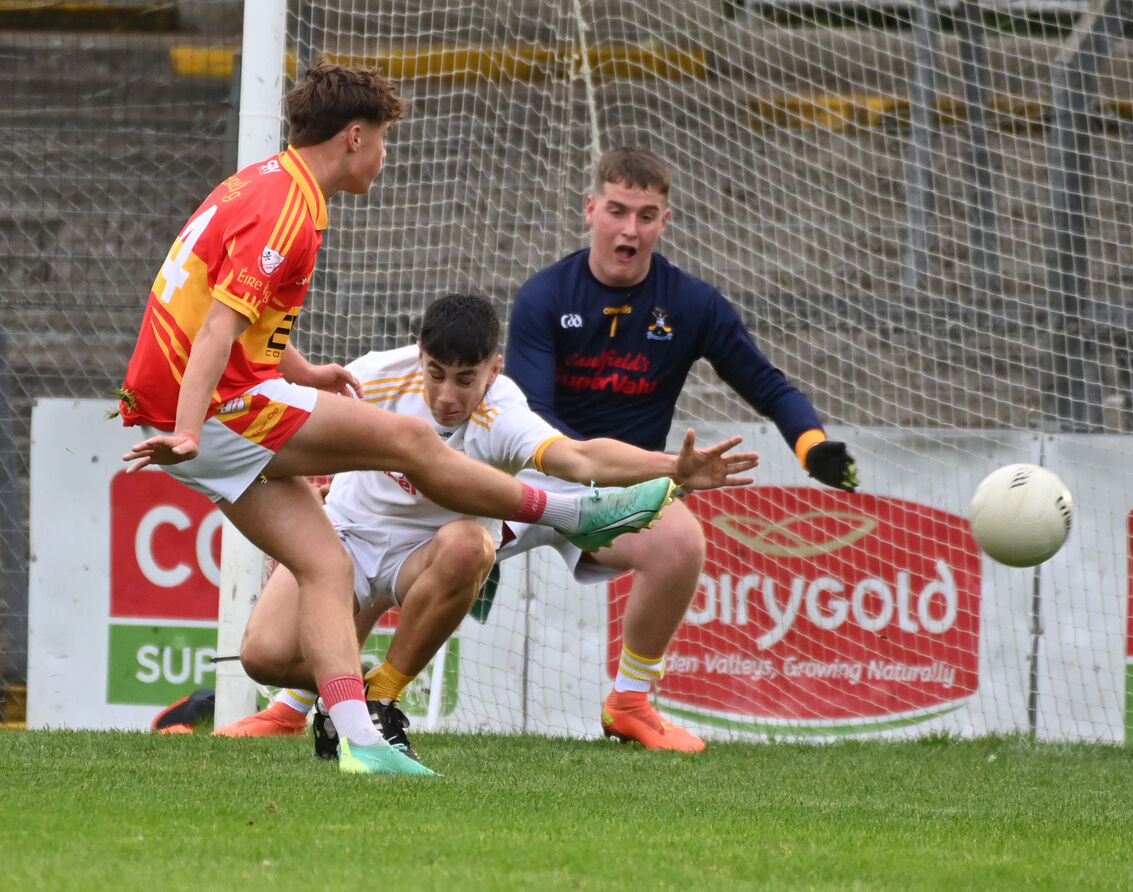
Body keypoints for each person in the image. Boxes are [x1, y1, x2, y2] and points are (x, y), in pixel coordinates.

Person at [116, 66, 675, 776]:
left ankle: (362, 742)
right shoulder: (288, 207)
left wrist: (303, 371)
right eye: (382, 140)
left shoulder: (267, 183)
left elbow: (238, 316)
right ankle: (576, 515)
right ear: (354, 137)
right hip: (208, 409)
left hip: (185, 408)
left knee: (324, 565)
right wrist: (193, 427)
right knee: (411, 439)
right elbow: (220, 326)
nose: (385, 156)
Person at [212, 293, 758, 769]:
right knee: (263, 656)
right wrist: (307, 486)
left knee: (473, 544)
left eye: (465, 379)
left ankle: (381, 699)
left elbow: (577, 455)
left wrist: (670, 467)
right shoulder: (376, 373)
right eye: (436, 373)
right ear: (419, 355)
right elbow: (290, 425)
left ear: (492, 370)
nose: (448, 394)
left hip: (426, 556)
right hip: (347, 537)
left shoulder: (505, 408)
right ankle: (331, 700)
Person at [501, 145, 860, 752]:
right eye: (617, 211)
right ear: (591, 210)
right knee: (418, 547)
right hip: (531, 477)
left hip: (623, 494)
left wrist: (812, 445)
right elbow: (534, 418)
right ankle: (305, 699)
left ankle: (630, 704)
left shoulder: (692, 305)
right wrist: (603, 468)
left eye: (646, 215)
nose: (629, 229)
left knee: (680, 541)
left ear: (663, 222)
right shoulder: (543, 298)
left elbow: (767, 384)